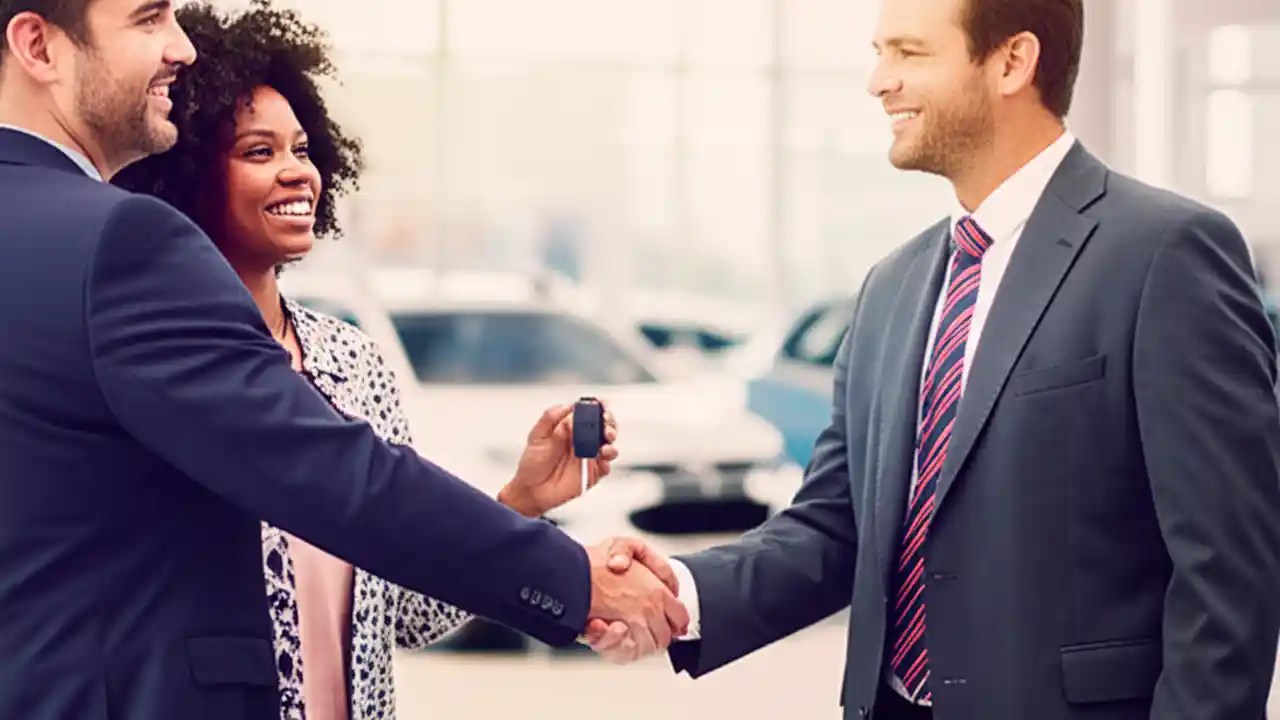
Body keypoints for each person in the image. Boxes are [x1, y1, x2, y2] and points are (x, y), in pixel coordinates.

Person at [590, 0, 1280, 718]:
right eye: (879, 51)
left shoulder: (1164, 255)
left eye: (909, 53)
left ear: (1012, 61)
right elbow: (834, 526)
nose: (878, 81)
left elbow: (1228, 578)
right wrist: (678, 591)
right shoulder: (892, 287)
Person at [0, 1, 687, 718]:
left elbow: (394, 599)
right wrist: (575, 581)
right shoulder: (121, 243)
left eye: (302, 148)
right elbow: (345, 480)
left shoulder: (346, 359)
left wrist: (519, 505)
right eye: (147, 20)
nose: (180, 48)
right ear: (38, 47)